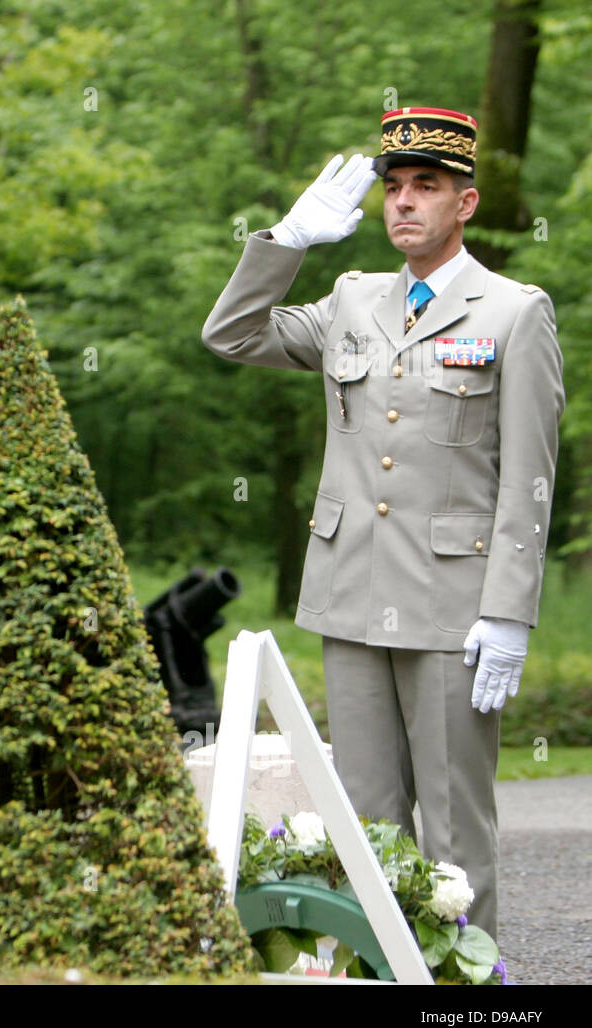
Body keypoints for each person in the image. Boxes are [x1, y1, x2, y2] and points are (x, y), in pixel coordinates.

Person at [201, 108, 564, 937]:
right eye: (394, 189)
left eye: (426, 188)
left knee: (454, 827)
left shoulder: (512, 312)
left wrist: (509, 609)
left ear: (464, 204)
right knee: (364, 826)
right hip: (352, 594)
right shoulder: (351, 300)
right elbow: (230, 332)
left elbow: (529, 478)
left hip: (453, 608)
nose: (404, 204)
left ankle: (466, 1002)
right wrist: (287, 241)